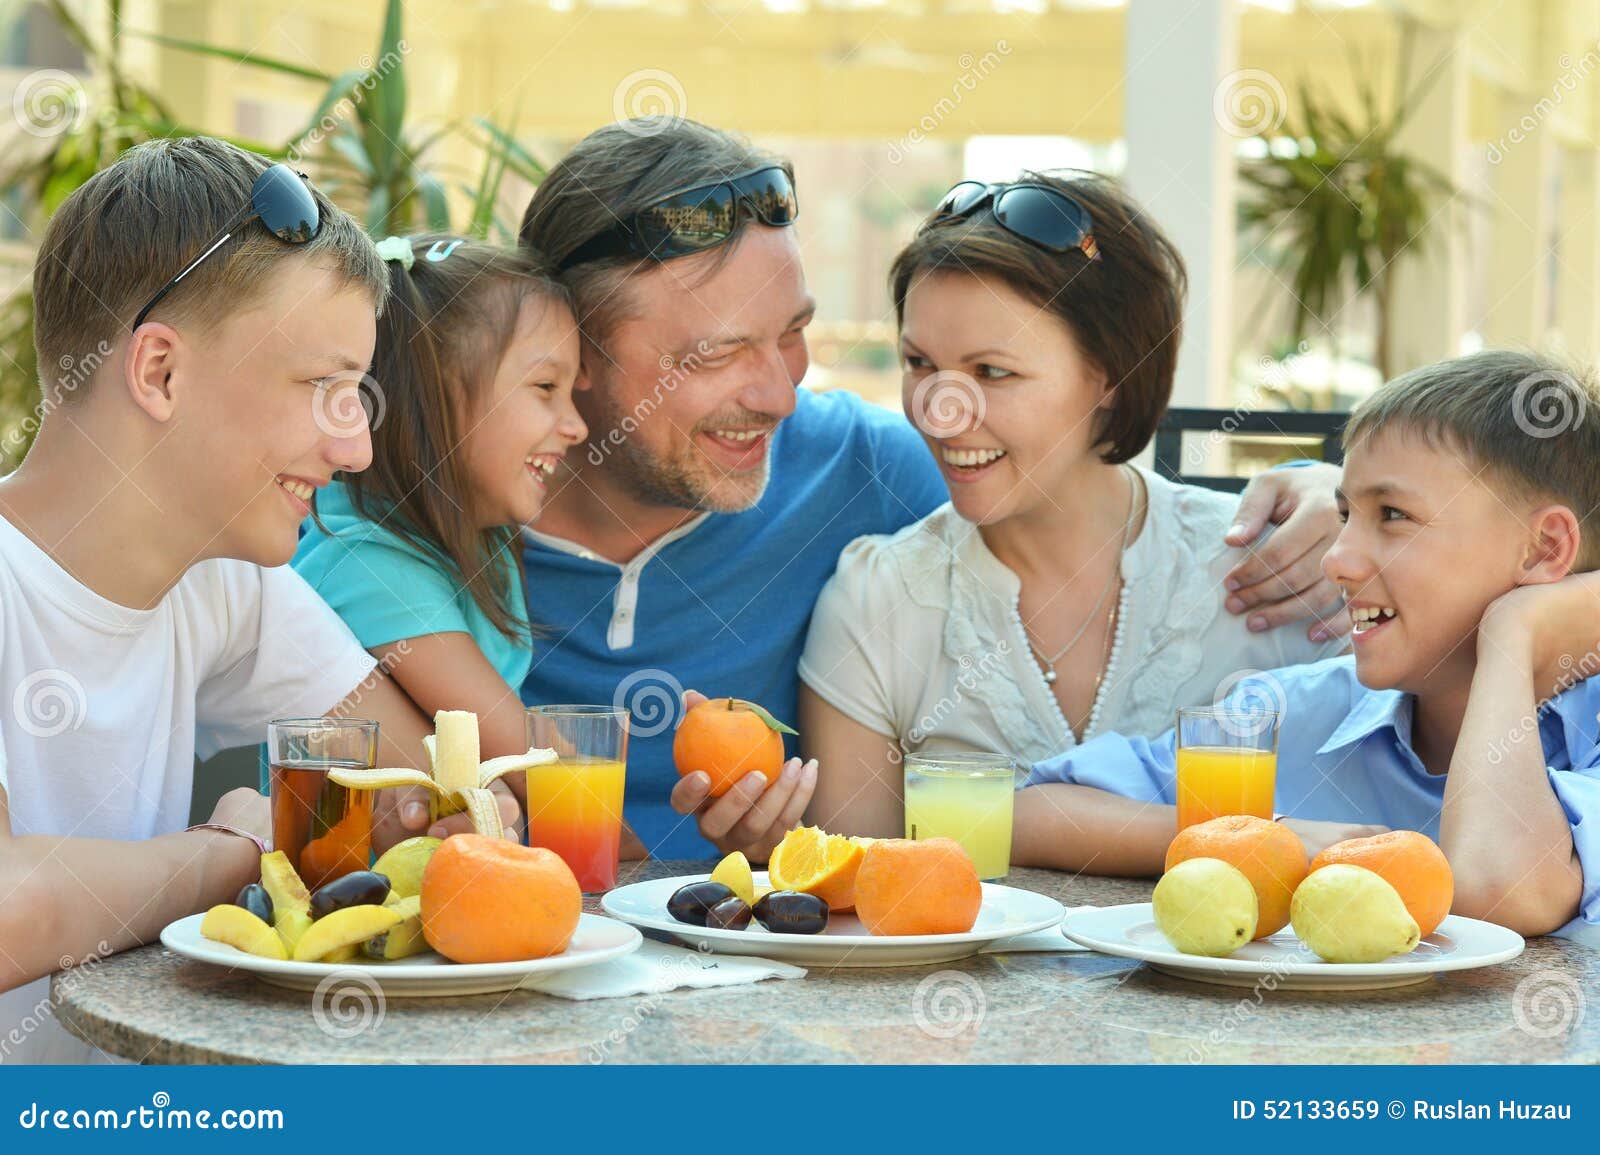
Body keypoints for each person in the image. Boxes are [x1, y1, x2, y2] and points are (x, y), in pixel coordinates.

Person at [519, 117, 1345, 862]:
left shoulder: (863, 468)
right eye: (714, 354)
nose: (779, 397)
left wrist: (1338, 500)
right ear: (571, 352)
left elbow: (1051, 485)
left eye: (794, 332)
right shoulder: (466, 519)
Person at [0, 139, 506, 1063]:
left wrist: (426, 818)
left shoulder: (224, 578)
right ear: (160, 372)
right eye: (323, 387)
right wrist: (225, 851)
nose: (356, 448)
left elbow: (430, 786)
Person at [800, 172, 1343, 838]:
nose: (940, 412)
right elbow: (856, 883)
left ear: (1109, 375)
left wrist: (1359, 507)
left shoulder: (1283, 571)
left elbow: (1386, 838)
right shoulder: (876, 601)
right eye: (919, 362)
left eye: (993, 372)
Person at [1020, 350, 1600, 939]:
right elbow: (1037, 809)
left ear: (1544, 550)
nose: (1336, 559)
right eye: (1346, 514)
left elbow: (1496, 889)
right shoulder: (1294, 713)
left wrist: (1513, 635)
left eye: (1393, 515)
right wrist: (1274, 839)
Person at [288, 235, 614, 843]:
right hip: (358, 894)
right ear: (433, 395)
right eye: (546, 387)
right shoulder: (371, 567)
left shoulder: (476, 546)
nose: (575, 426)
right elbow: (558, 789)